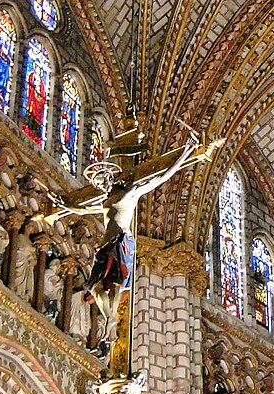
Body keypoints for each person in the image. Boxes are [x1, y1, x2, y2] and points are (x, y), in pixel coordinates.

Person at [45, 125, 223, 357]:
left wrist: (186, 152)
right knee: (93, 286)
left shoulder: (130, 194)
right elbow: (80, 208)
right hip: (106, 247)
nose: (103, 183)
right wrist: (62, 204)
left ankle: (112, 316)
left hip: (120, 243)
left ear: (113, 178)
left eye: (106, 179)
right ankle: (110, 316)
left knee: (114, 284)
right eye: (101, 181)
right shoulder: (104, 200)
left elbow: (162, 176)